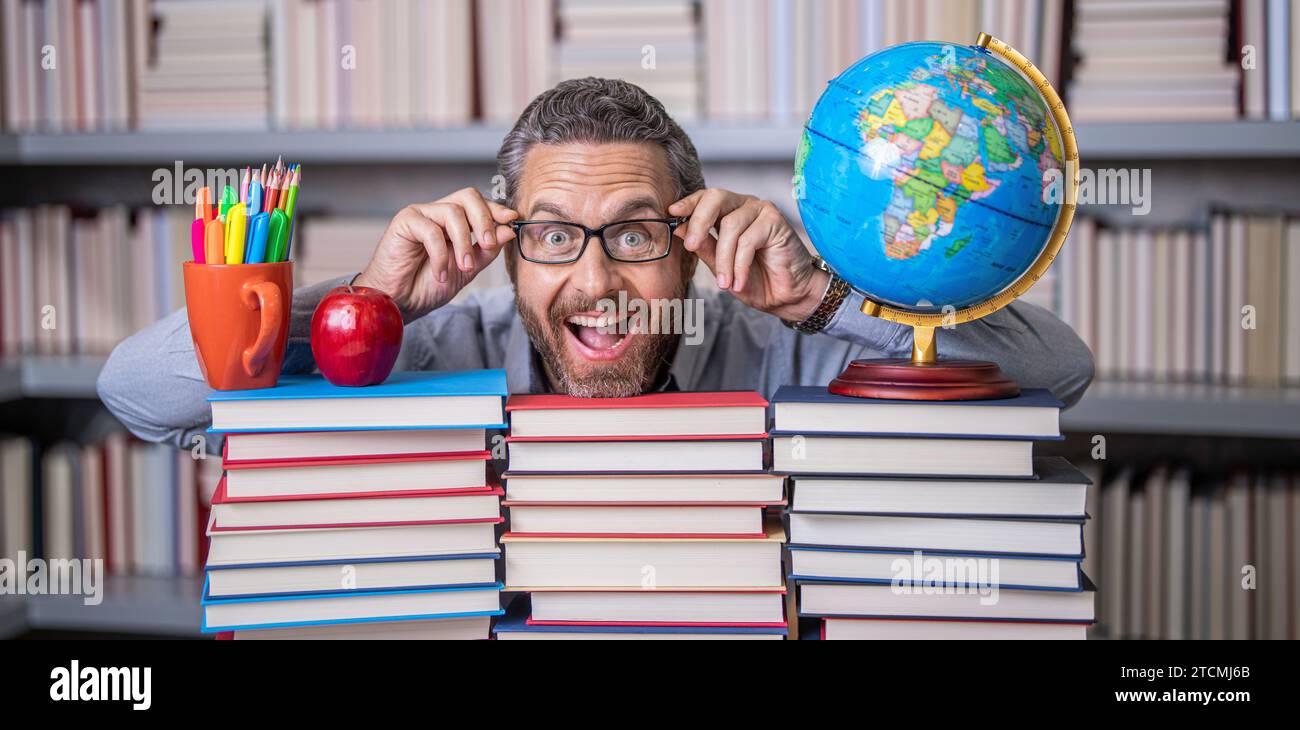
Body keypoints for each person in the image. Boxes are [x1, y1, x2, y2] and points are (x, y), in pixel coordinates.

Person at [98, 78, 1093, 450]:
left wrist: (822, 295)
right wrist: (365, 302)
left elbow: (1058, 373)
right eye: (553, 234)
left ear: (695, 247)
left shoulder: (791, 350)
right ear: (507, 250)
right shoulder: (427, 354)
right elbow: (137, 391)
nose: (596, 279)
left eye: (634, 232)